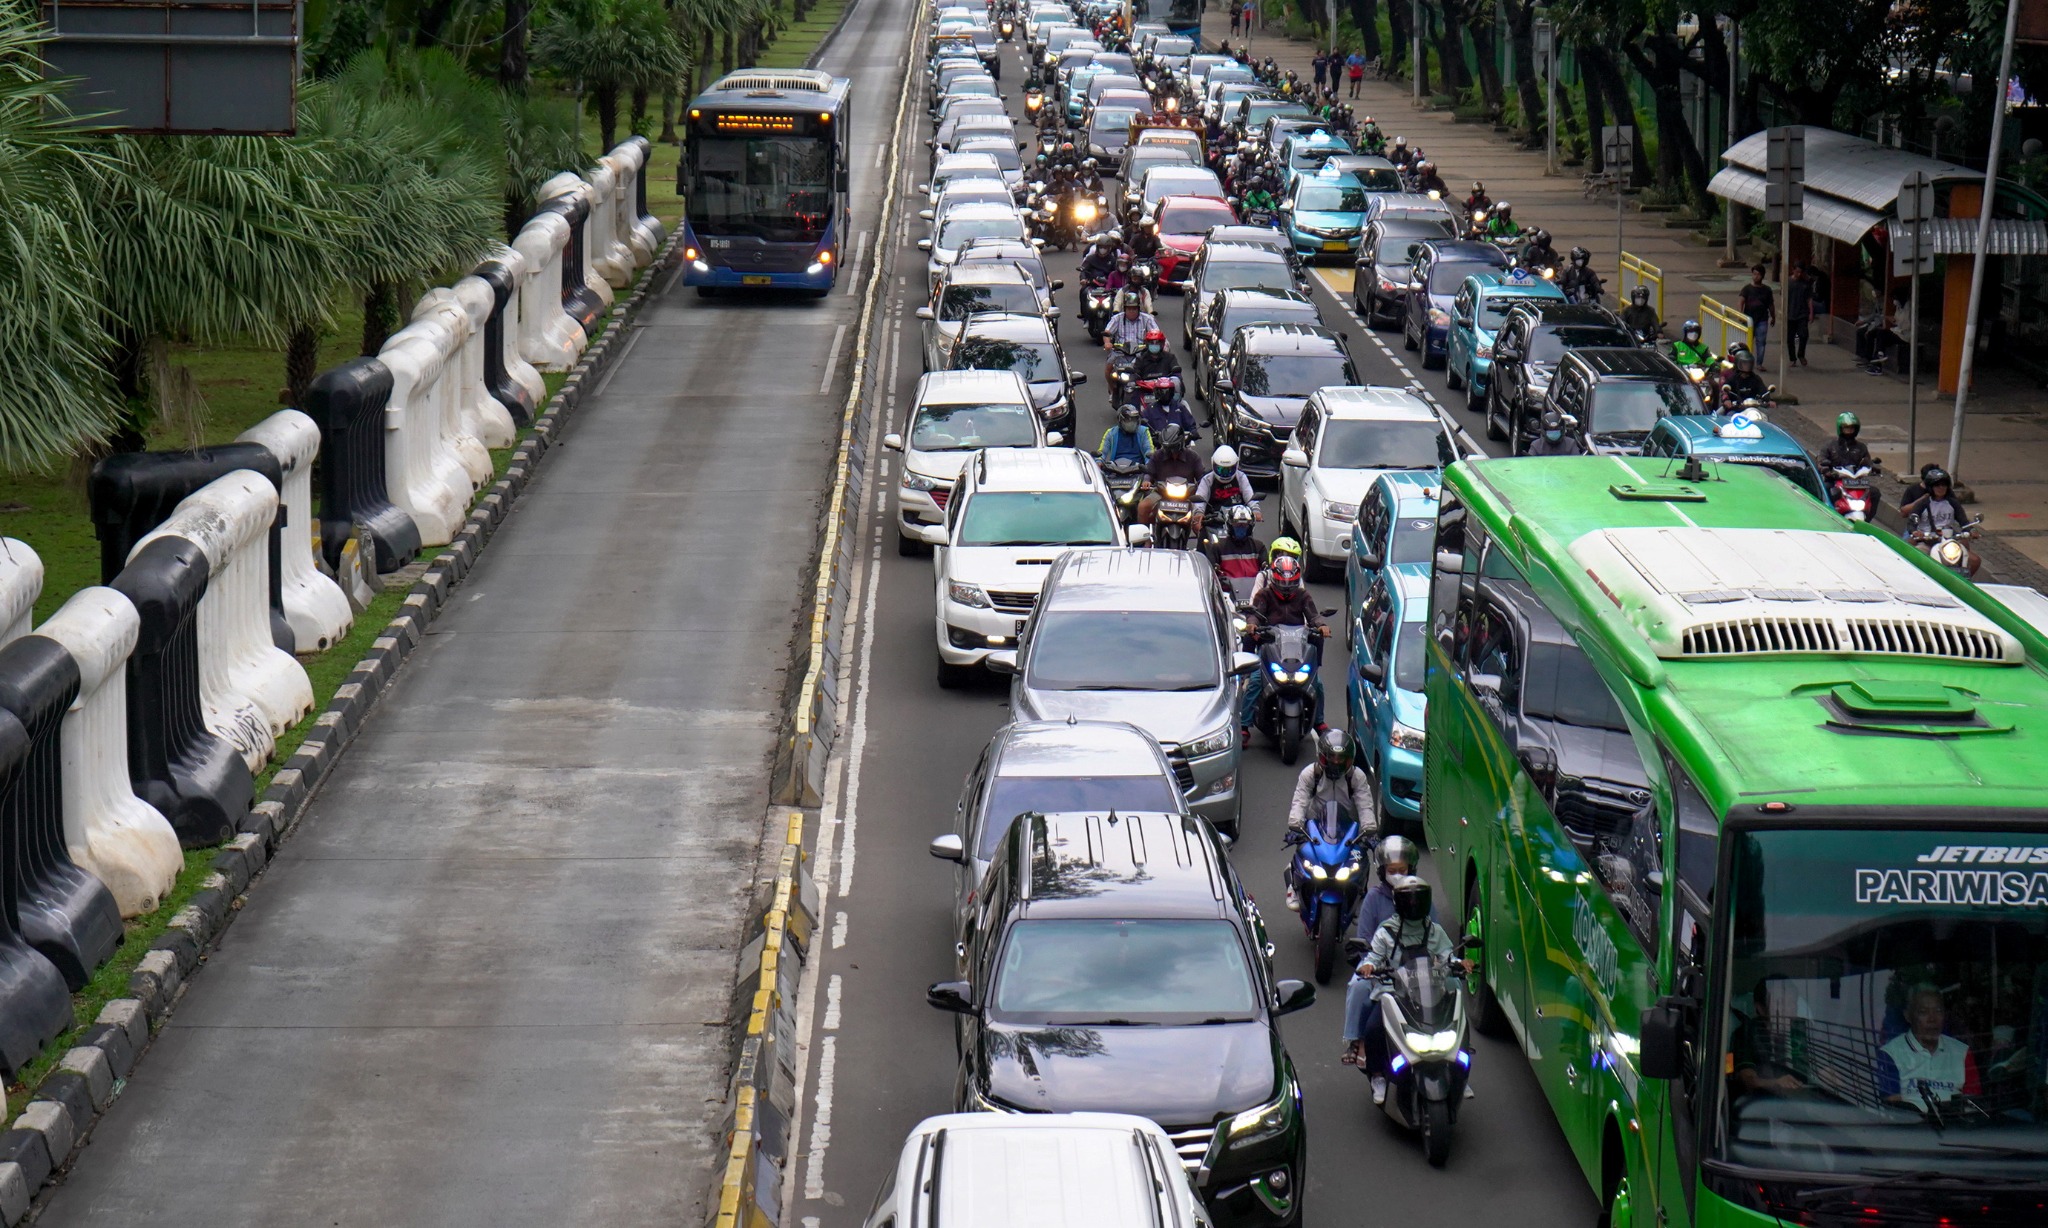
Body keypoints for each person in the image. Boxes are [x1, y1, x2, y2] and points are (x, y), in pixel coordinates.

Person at [1347, 876, 1470, 1103]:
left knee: (1456, 1020)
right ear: (1398, 903)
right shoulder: (1387, 931)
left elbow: (1447, 955)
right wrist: (1368, 965)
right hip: (1392, 991)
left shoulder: (1435, 931)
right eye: (1409, 901)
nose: (1413, 906)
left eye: (1418, 901)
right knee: (1374, 1028)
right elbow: (1374, 956)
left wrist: (1459, 963)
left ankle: (1457, 1068)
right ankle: (1377, 1077)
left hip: (1430, 990)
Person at [1241, 556, 1326, 742]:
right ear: (1274, 579)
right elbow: (1254, 614)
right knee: (1255, 681)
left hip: (1297, 647)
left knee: (1317, 683)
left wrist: (1321, 625)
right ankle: (1244, 725)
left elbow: (1313, 616)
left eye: (1291, 583)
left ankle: (1319, 722)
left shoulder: (1303, 596)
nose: (1286, 587)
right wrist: (1252, 625)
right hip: (1270, 646)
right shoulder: (1264, 595)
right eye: (1282, 582)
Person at [1878, 985, 1981, 1110]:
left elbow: (1973, 1104)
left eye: (1938, 1011)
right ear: (1908, 1016)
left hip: (1957, 1127)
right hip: (1910, 1128)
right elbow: (1893, 1107)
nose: (1932, 1019)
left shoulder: (1962, 1052)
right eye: (1923, 1012)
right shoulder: (1890, 1053)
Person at [1284, 730, 1375, 841]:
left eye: (1340, 758)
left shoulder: (1357, 776)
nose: (1336, 762)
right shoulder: (1311, 773)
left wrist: (1369, 830)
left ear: (1348, 759)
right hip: (1315, 829)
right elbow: (1300, 800)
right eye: (1331, 757)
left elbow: (1365, 804)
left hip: (1348, 831)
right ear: (1322, 756)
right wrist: (1295, 825)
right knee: (1301, 855)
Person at [1901, 467, 1979, 576]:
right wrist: (1915, 532)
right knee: (1917, 558)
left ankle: (1965, 583)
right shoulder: (1922, 504)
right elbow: (1912, 522)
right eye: (1937, 485)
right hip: (1927, 541)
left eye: (1944, 485)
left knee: (1974, 561)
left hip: (1949, 542)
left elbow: (1964, 522)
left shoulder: (1953, 503)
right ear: (1930, 487)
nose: (1941, 488)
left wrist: (1972, 530)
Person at [1209, 502, 1265, 594]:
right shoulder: (1218, 547)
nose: (1241, 528)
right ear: (1230, 526)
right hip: (1227, 594)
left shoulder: (1259, 547)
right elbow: (1211, 573)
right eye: (1237, 525)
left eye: (1244, 525)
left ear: (1250, 527)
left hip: (1254, 592)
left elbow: (1266, 571)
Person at [1193, 444, 1257, 523]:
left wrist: (1255, 510)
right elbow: (1201, 496)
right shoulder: (1208, 479)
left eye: (1229, 470)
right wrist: (1199, 512)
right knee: (1200, 532)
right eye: (1221, 470)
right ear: (1213, 464)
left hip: (1238, 521)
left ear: (1236, 465)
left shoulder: (1241, 477)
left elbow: (1249, 495)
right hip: (1212, 520)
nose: (1225, 474)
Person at [1737, 263, 1775, 365]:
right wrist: (1741, 314)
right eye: (1754, 274)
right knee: (1746, 342)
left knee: (1761, 342)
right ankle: (1745, 361)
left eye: (1758, 274)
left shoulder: (1767, 290)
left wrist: (1773, 316)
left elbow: (1770, 304)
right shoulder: (1747, 289)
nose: (1755, 276)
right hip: (1749, 319)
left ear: (1762, 276)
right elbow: (1741, 301)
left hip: (1762, 319)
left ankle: (1759, 363)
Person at [1096, 402, 1154, 467]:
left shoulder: (1144, 432)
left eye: (1134, 420)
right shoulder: (1111, 433)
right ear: (1120, 420)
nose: (1131, 423)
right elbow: (1102, 452)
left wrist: (1148, 464)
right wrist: (1099, 461)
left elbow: (1149, 450)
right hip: (1115, 470)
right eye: (1128, 420)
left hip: (1138, 471)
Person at [1785, 262, 1814, 367]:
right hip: (1790, 314)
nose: (1798, 274)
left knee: (1804, 335)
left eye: (1800, 272)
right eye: (1797, 272)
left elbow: (1809, 299)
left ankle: (1801, 354)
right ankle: (1792, 358)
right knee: (1790, 338)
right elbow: (1783, 297)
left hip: (1802, 313)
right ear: (1793, 270)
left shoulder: (1805, 283)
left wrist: (1811, 312)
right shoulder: (1787, 282)